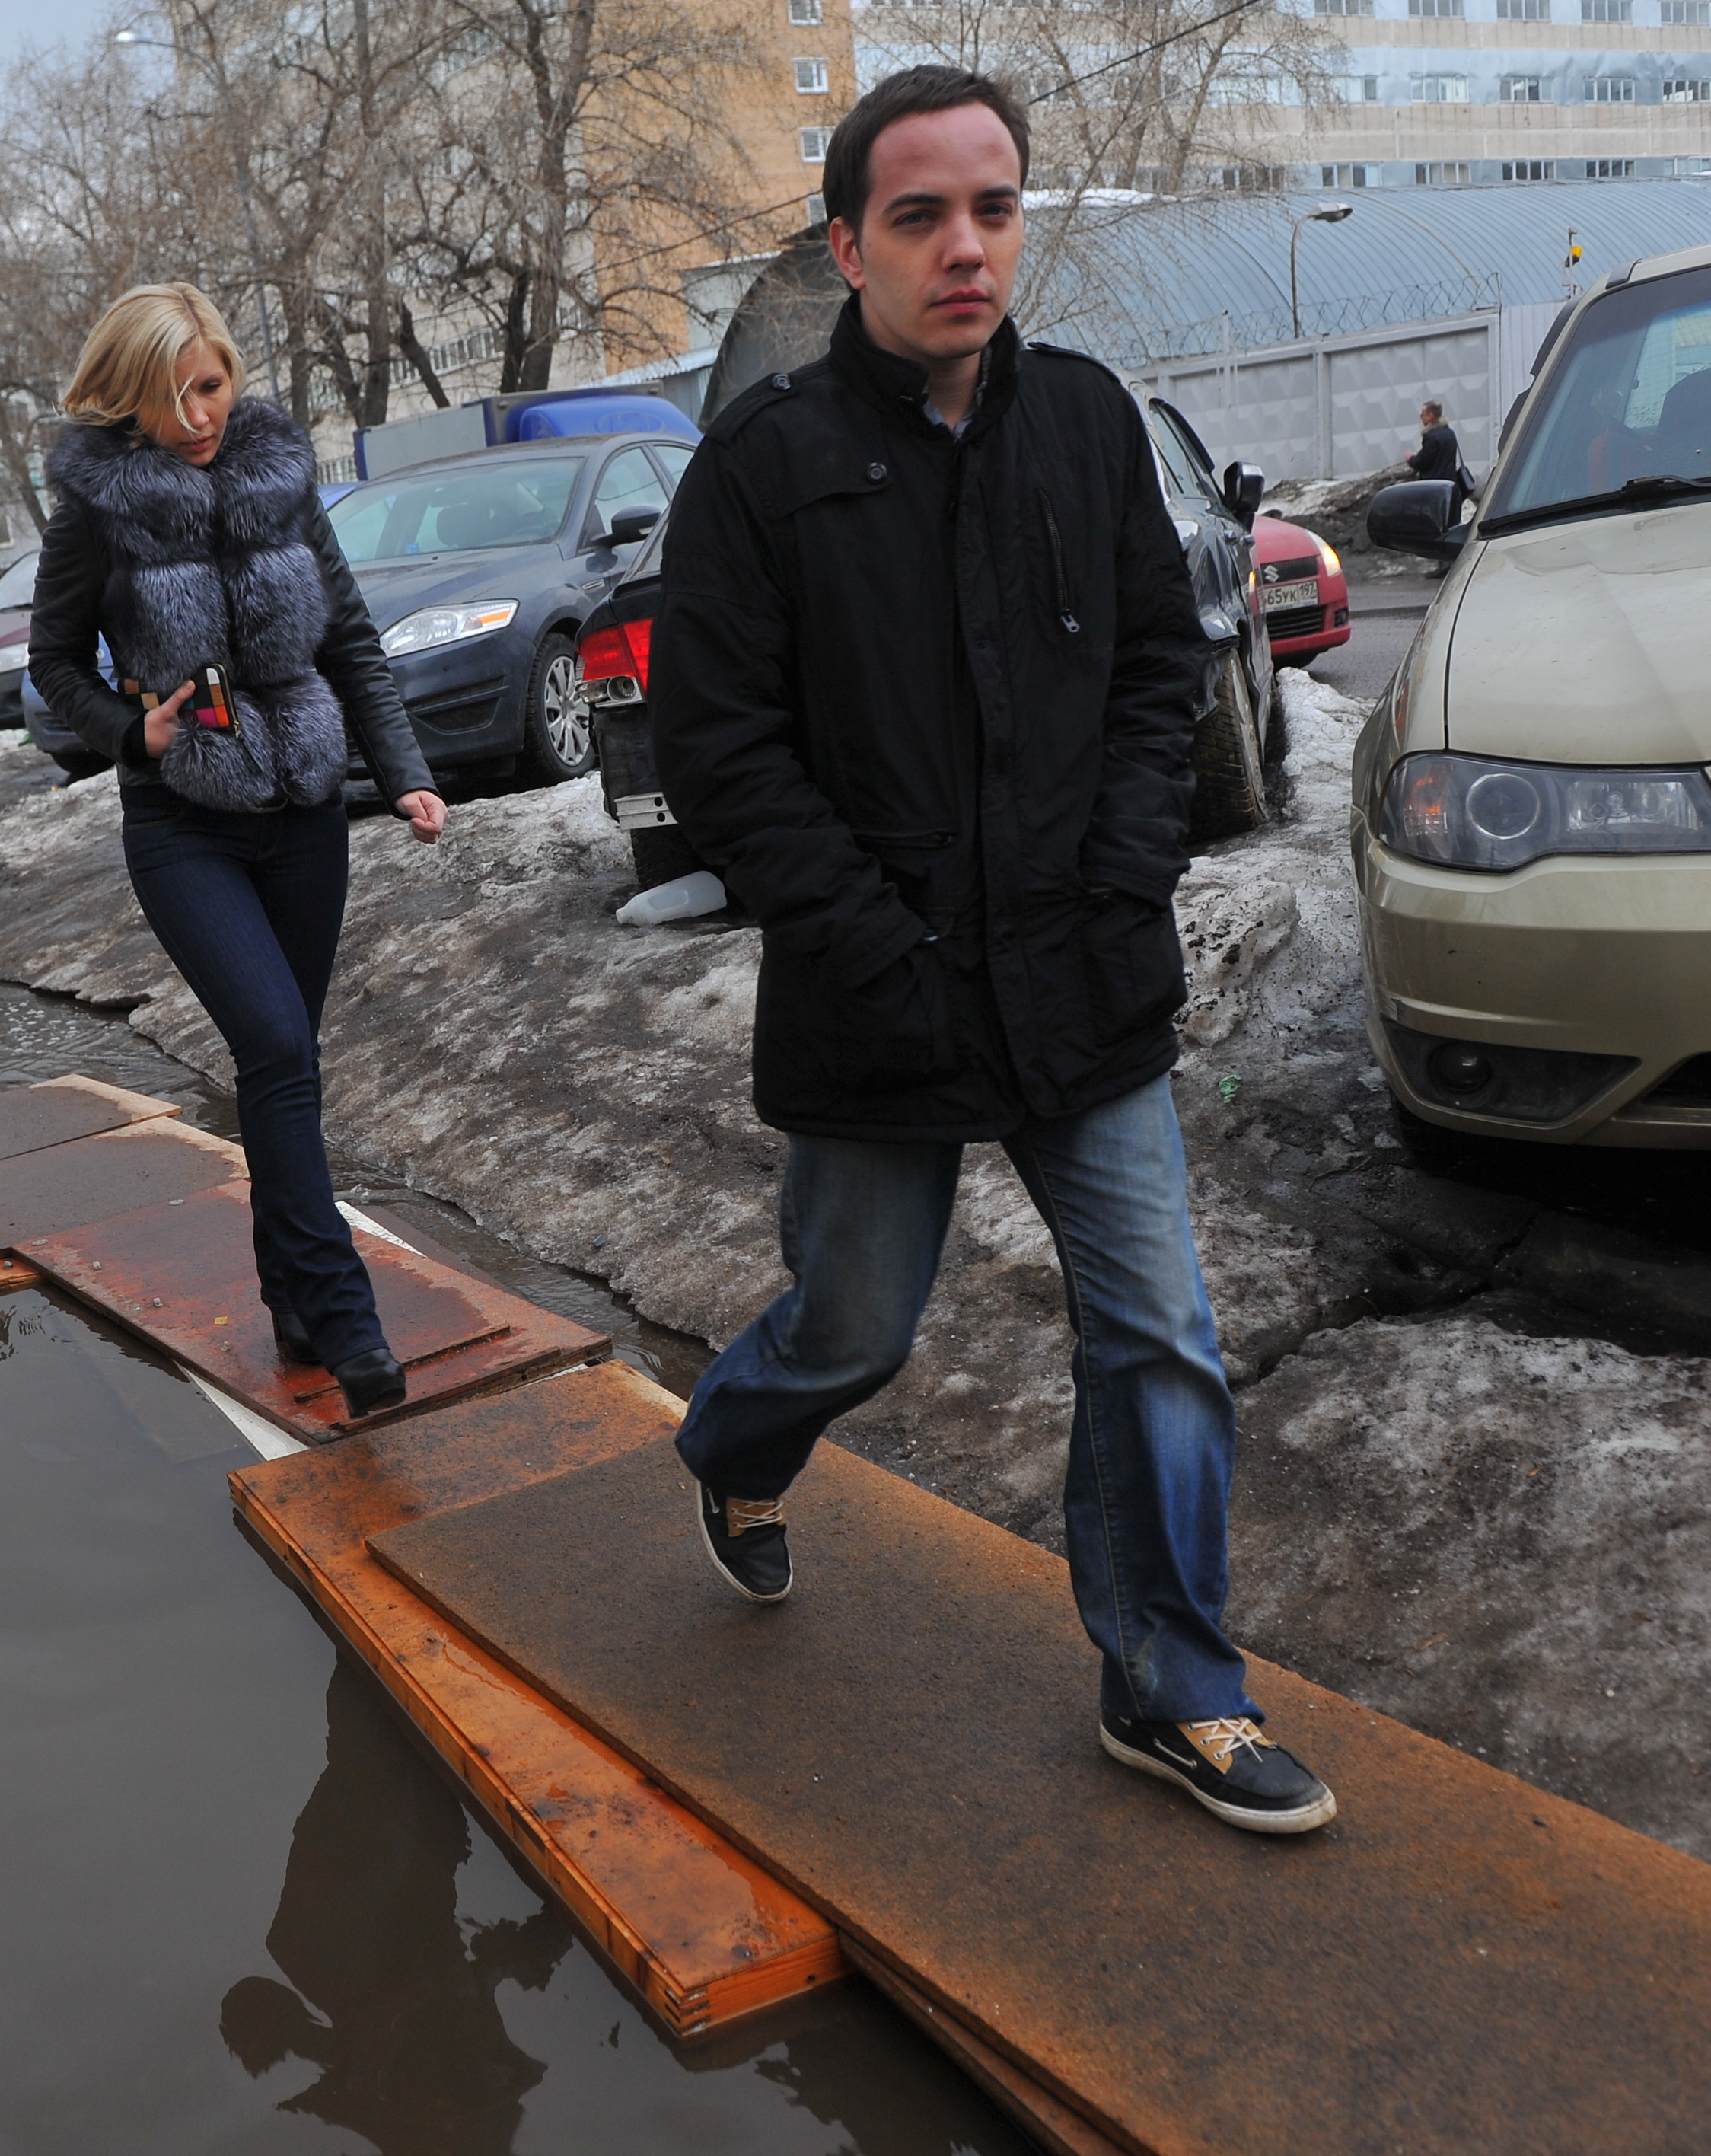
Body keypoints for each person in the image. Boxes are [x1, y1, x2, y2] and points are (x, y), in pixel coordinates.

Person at [648, 65, 1334, 1835]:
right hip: (877, 995)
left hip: (1079, 975)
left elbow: (1151, 680)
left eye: (997, 207)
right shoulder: (764, 468)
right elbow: (723, 744)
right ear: (847, 243)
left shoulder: (1089, 424)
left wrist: (1121, 877)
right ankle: (735, 1444)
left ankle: (1169, 1672)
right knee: (854, 1328)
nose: (967, 246)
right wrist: (864, 933)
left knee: (1160, 1332)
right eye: (922, 214)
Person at [27, 283, 448, 1419]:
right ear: (128, 400)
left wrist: (402, 770)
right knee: (271, 1043)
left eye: (210, 384)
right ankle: (348, 1315)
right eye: (173, 397)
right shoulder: (98, 515)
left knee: (286, 1068)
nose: (200, 413)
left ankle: (297, 1304)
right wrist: (134, 730)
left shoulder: (277, 478)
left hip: (306, 809)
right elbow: (53, 666)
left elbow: (351, 636)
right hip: (183, 826)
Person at [1409, 400, 1473, 512]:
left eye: (1422, 415)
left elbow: (1422, 463)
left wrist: (1411, 458)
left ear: (1431, 416)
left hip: (1434, 487)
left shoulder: (1432, 437)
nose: (1421, 418)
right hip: (1450, 485)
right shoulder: (1449, 432)